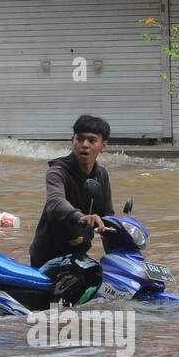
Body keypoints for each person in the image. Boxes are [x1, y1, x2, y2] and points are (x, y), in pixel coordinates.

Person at [29, 114, 115, 269]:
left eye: (92, 140)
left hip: (78, 254)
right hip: (49, 256)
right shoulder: (58, 171)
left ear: (103, 145)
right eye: (80, 139)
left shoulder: (101, 174)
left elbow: (107, 215)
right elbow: (55, 202)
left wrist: (115, 249)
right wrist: (81, 217)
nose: (85, 145)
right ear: (72, 141)